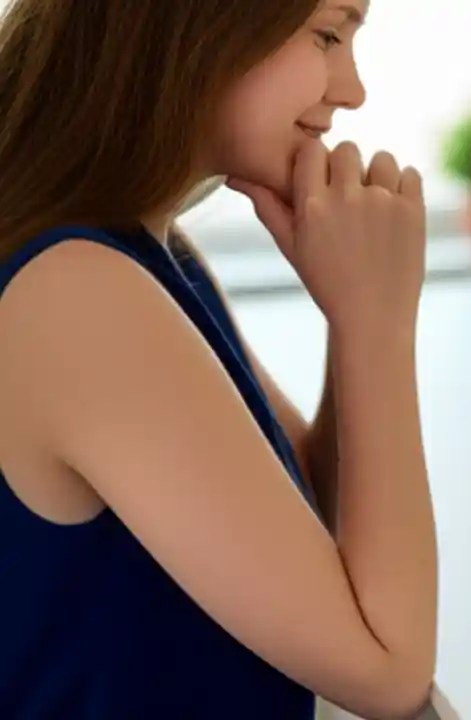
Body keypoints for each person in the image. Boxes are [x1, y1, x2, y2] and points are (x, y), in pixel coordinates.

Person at [0, 2, 438, 718]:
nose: (352, 88)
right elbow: (386, 673)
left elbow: (317, 519)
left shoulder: (149, 259)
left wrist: (355, 312)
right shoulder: (79, 295)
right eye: (328, 34)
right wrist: (377, 326)